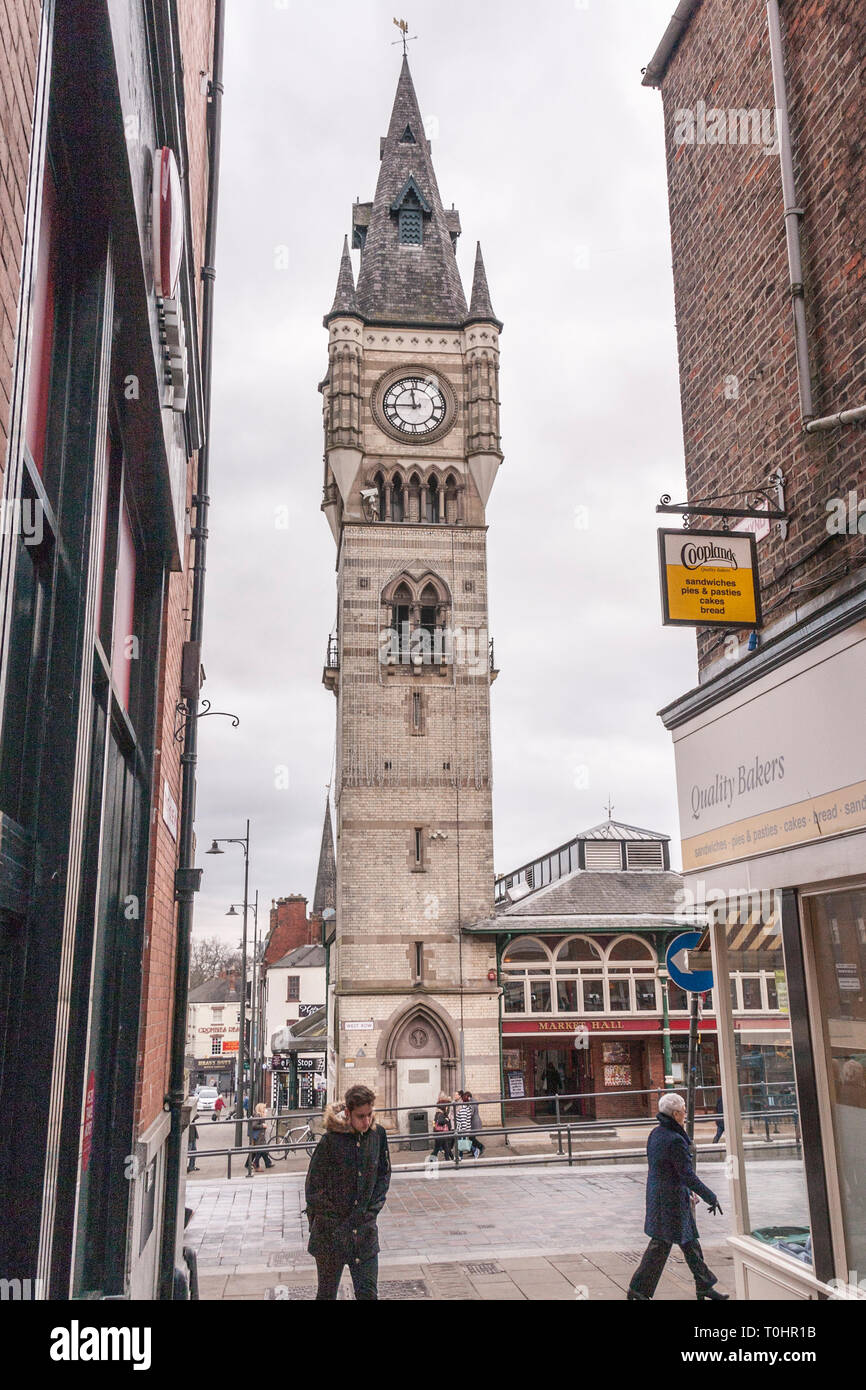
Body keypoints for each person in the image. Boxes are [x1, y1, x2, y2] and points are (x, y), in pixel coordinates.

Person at [628, 1092, 728, 1301]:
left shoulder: (656, 1133)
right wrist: (711, 1196)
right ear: (675, 1114)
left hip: (664, 1197)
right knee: (660, 1246)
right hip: (669, 1202)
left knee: (690, 1242)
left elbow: (667, 1170)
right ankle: (637, 1291)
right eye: (683, 1111)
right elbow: (686, 1174)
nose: (685, 1115)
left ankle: (704, 1285)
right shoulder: (675, 1140)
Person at [305, 1084, 391, 1300]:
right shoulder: (330, 1141)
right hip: (331, 1234)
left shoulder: (377, 1135)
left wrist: (372, 1210)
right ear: (348, 1113)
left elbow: (384, 1175)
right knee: (326, 1294)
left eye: (370, 1114)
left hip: (364, 1233)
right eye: (360, 1116)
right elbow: (313, 1187)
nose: (366, 1121)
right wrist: (334, 1219)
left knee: (368, 1293)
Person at [246, 1102, 275, 1175]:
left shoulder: (261, 1116)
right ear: (261, 1109)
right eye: (264, 1108)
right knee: (260, 1150)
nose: (265, 1109)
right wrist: (262, 1125)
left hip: (260, 1137)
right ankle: (256, 1164)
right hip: (258, 1137)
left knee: (262, 1150)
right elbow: (254, 1126)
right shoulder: (258, 1115)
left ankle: (267, 1163)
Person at [455, 1090, 485, 1159]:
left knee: (468, 1139)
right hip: (470, 1124)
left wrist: (459, 1113)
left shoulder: (471, 1104)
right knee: (466, 1140)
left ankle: (478, 1148)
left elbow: (470, 1114)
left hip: (473, 1123)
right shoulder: (469, 1105)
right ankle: (467, 1152)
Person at [432, 1093, 454, 1161]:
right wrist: (446, 1120)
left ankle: (450, 1159)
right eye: (446, 1106)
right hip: (440, 1133)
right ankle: (431, 1160)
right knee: (437, 1149)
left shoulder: (438, 1113)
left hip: (440, 1133)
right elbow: (441, 1121)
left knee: (446, 1148)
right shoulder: (440, 1114)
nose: (447, 1108)